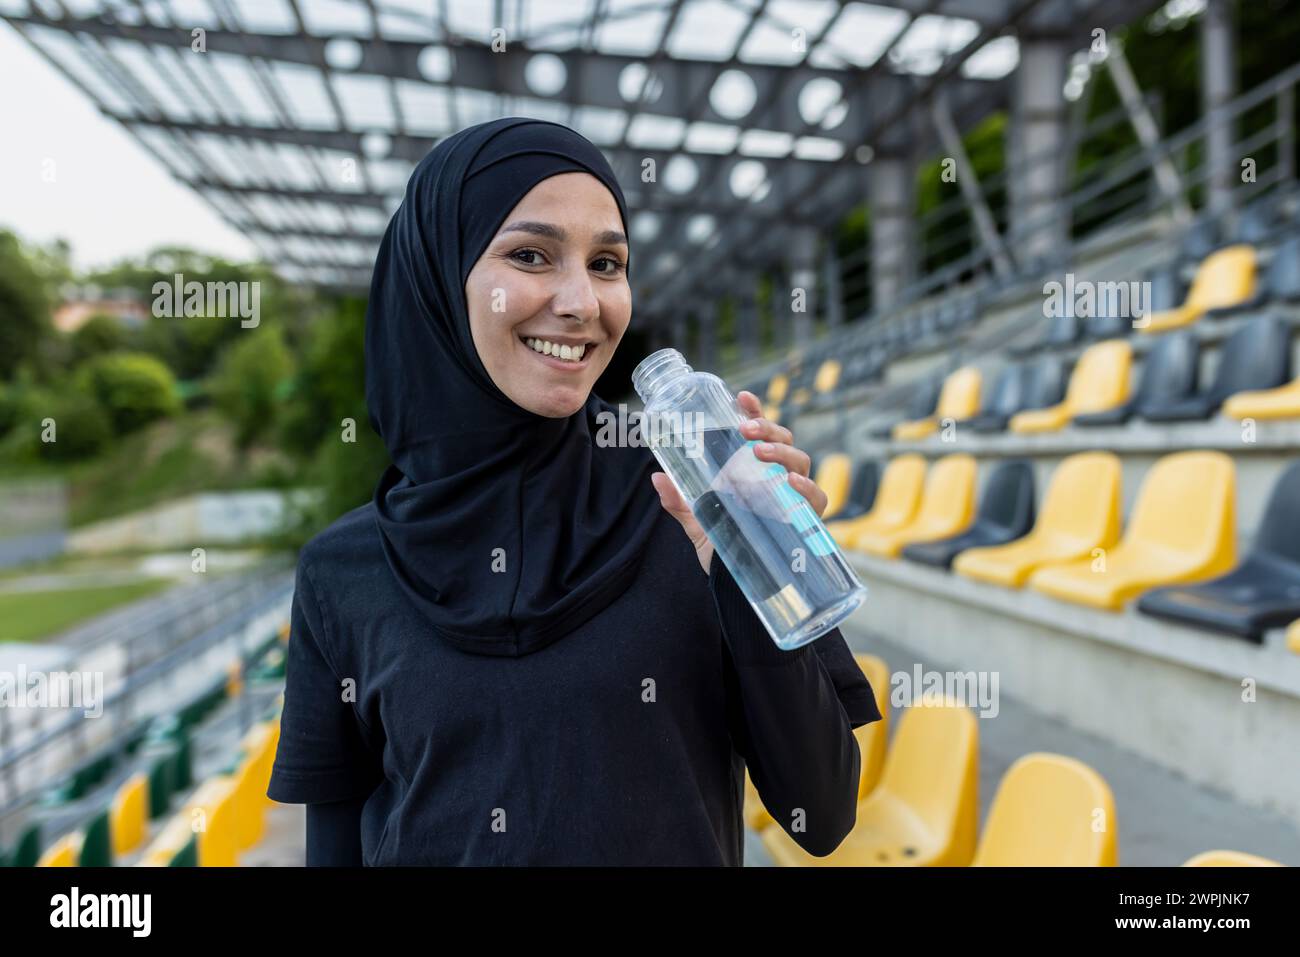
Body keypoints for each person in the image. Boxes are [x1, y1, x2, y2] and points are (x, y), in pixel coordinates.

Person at [266, 116, 881, 865]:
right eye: (530, 255)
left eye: (607, 263)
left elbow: (820, 813)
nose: (581, 302)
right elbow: (335, 848)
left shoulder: (693, 499)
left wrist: (750, 570)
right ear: (437, 277)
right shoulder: (342, 570)